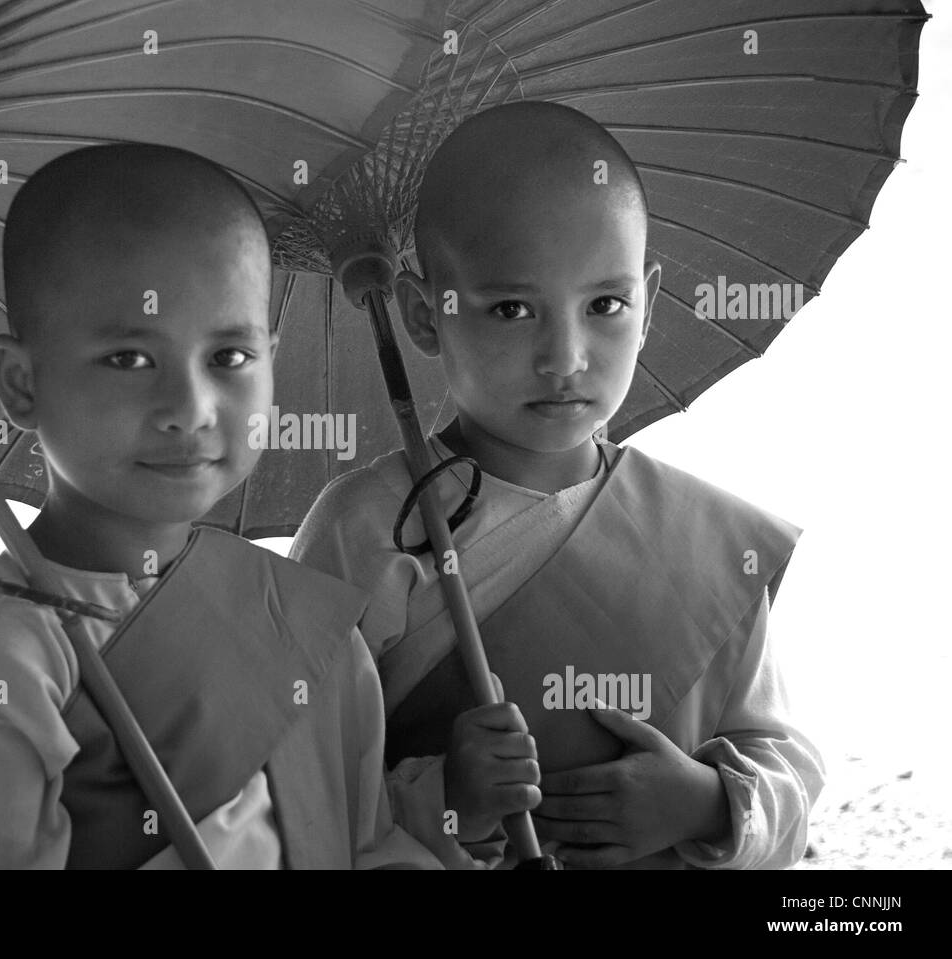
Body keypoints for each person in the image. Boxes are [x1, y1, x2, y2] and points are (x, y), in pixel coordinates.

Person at [0, 144, 475, 869]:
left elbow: (367, 847)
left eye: (230, 358)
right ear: (22, 384)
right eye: (129, 359)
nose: (190, 408)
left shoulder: (303, 621)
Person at [291, 102, 825, 870]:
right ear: (421, 313)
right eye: (511, 308)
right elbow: (287, 791)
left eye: (605, 305)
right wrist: (447, 801)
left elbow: (783, 762)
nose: (565, 356)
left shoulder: (705, 537)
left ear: (648, 304)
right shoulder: (368, 525)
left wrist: (709, 802)